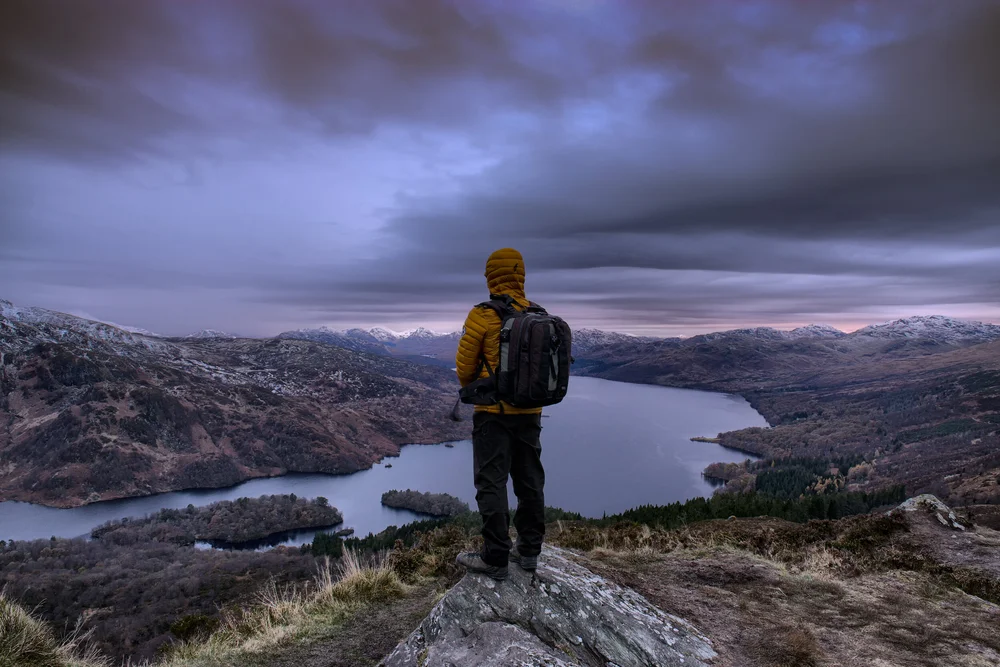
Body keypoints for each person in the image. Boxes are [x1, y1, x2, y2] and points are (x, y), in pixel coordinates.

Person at [454, 247, 545, 581]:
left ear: (491, 275)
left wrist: (484, 381)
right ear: (520, 273)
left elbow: (464, 371)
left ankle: (495, 557)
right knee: (529, 480)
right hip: (531, 412)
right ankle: (530, 551)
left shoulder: (482, 314)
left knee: (491, 483)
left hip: (493, 413)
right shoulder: (538, 313)